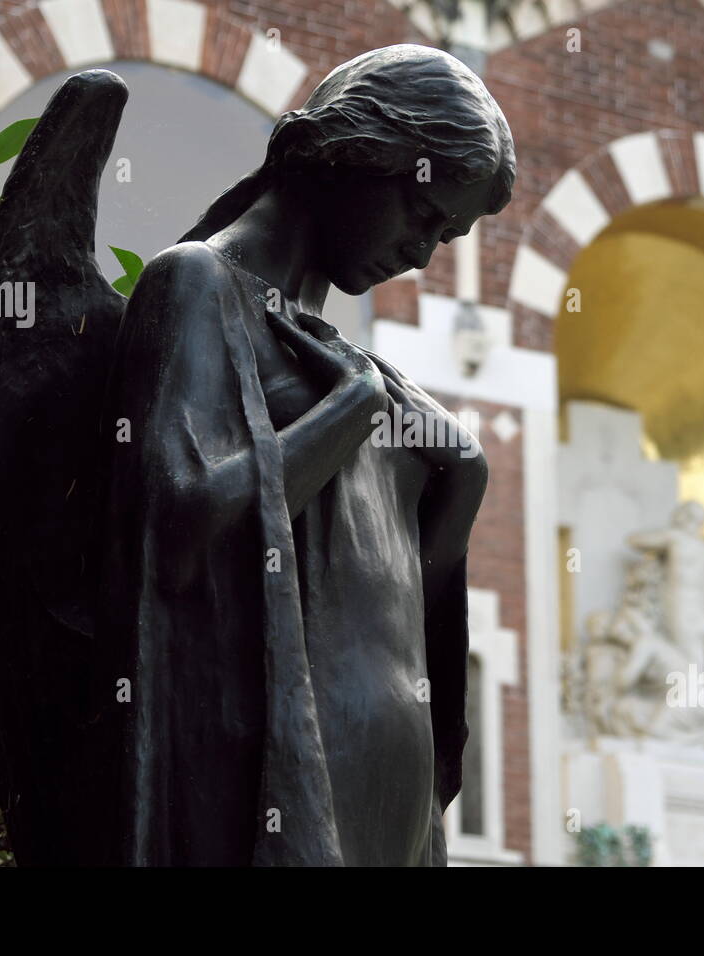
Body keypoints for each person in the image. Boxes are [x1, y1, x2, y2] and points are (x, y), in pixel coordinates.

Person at [98, 44, 517, 865]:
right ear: (355, 154)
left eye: (446, 235)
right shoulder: (197, 286)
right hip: (272, 787)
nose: (422, 253)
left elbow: (400, 595)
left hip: (391, 809)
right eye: (423, 214)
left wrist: (461, 479)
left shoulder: (347, 359)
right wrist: (351, 408)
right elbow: (175, 536)